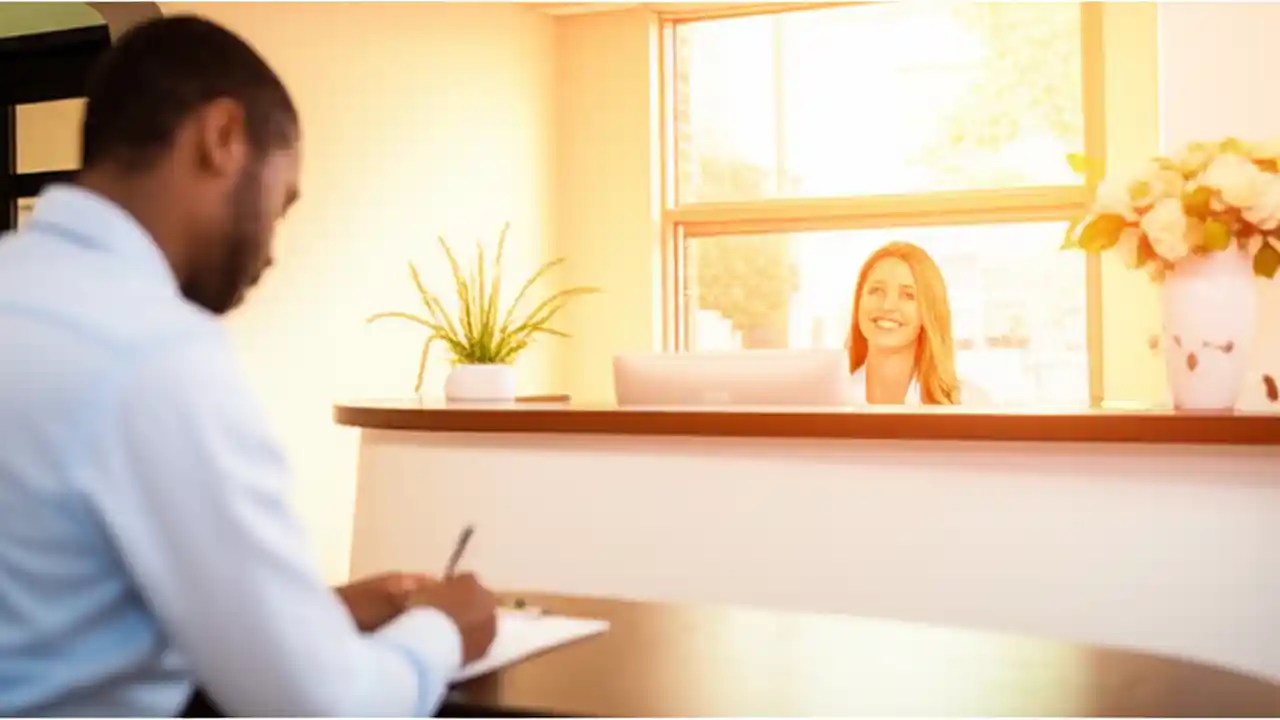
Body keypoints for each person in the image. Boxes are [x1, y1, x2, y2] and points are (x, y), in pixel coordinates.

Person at [0, 15, 496, 716]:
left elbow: (56, 617)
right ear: (223, 138)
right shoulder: (155, 354)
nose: (270, 251)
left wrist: (306, 618)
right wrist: (446, 629)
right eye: (280, 203)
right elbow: (326, 708)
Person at [846, 241, 963, 405]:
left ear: (929, 310)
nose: (887, 305)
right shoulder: (826, 400)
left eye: (908, 295)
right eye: (877, 290)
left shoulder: (968, 403)